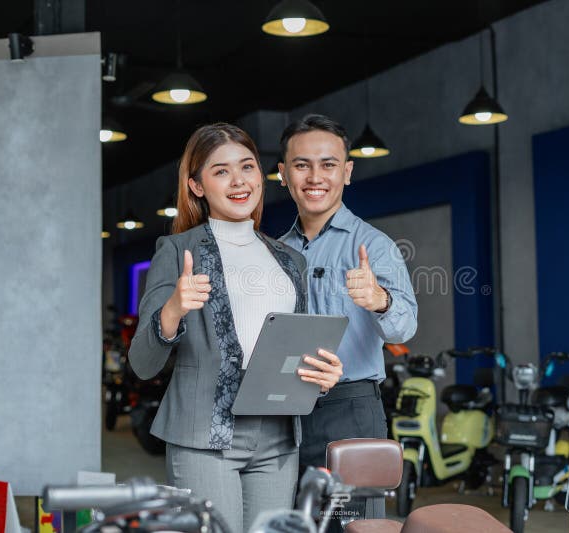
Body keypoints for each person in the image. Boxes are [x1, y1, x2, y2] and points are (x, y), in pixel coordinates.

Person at [128, 123, 344, 533]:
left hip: (279, 436)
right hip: (204, 436)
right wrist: (173, 309)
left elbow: (294, 347)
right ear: (196, 185)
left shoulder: (288, 260)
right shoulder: (176, 251)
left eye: (247, 167)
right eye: (221, 171)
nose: (239, 180)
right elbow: (141, 363)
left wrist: (322, 375)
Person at [278, 114, 418, 520]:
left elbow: (406, 325)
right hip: (285, 414)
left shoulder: (374, 246)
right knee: (293, 525)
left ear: (347, 172)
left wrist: (379, 299)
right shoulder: (275, 251)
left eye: (328, 164)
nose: (314, 177)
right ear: (284, 174)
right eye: (302, 165)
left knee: (355, 527)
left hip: (349, 410)